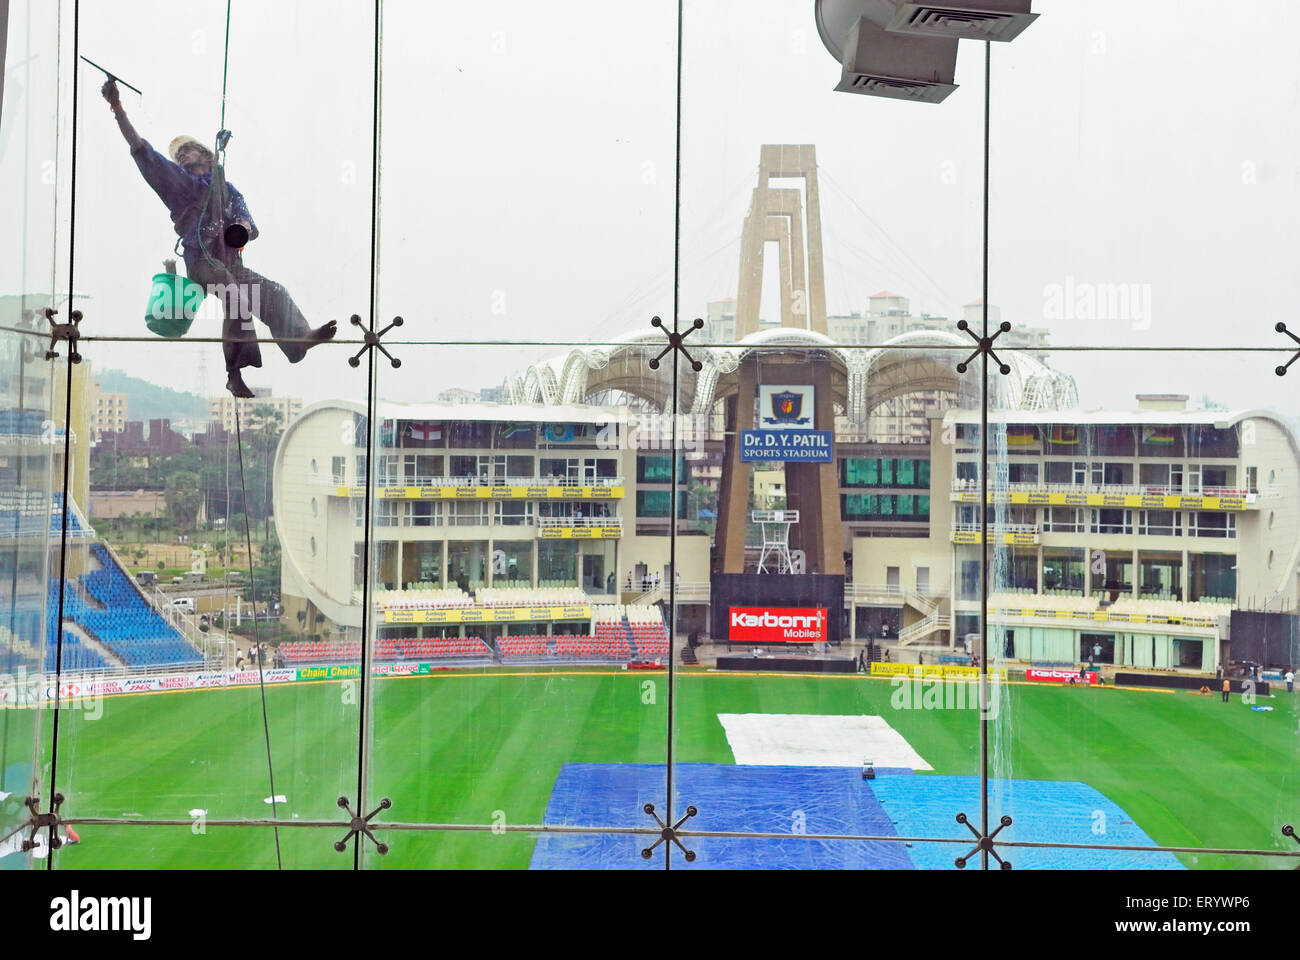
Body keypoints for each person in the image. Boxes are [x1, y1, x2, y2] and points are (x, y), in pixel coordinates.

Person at [101, 79, 337, 399]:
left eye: (188, 149)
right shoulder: (182, 186)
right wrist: (118, 110)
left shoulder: (226, 188)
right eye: (178, 154)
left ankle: (298, 339)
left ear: (206, 154)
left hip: (229, 263)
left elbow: (248, 224)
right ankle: (234, 374)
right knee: (233, 292)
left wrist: (240, 230)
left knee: (273, 292)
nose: (181, 155)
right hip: (202, 264)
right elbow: (145, 153)